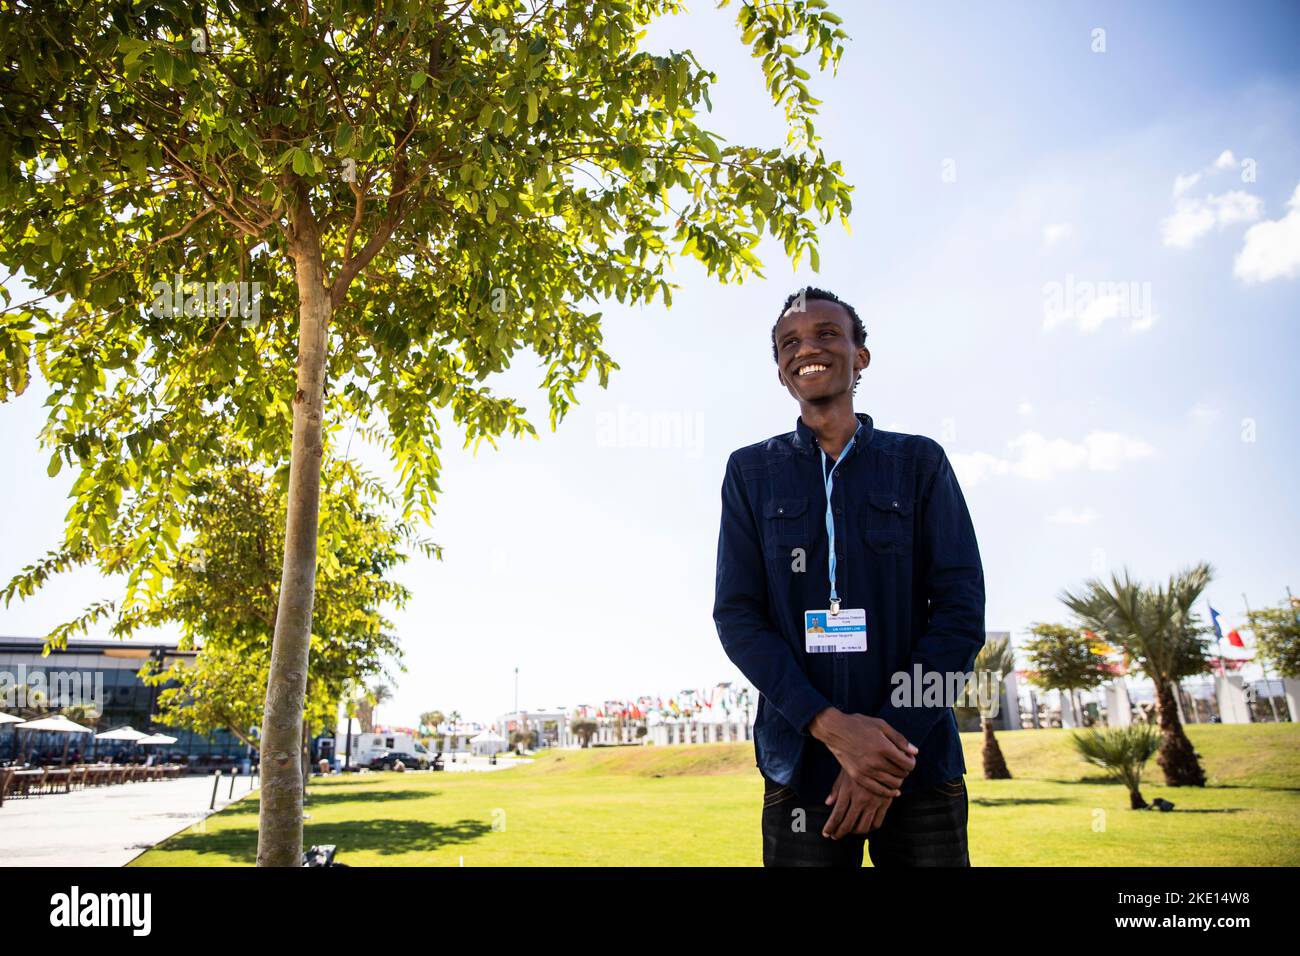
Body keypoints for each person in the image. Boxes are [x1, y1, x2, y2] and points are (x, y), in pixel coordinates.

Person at [713, 287, 986, 867]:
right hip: (801, 769)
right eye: (790, 343)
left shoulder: (920, 462)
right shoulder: (750, 472)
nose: (807, 349)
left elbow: (960, 614)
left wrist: (885, 749)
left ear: (861, 356)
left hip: (916, 765)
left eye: (827, 334)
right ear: (781, 371)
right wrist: (832, 728)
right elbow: (737, 616)